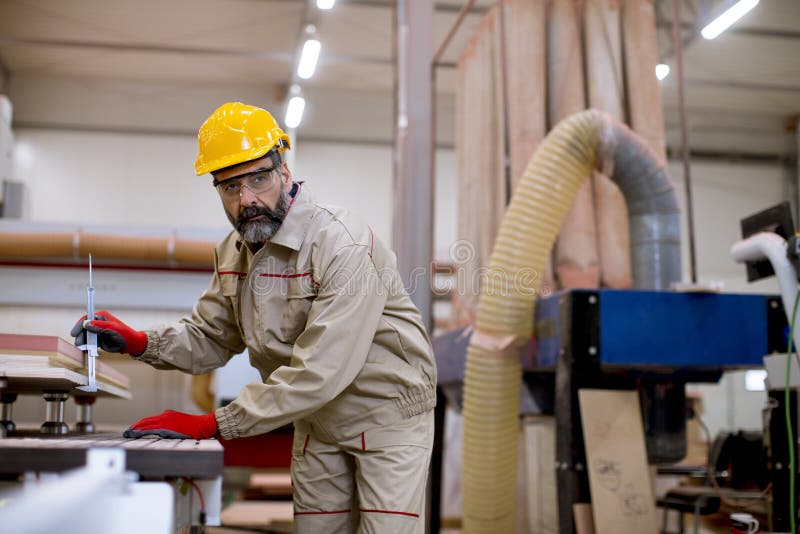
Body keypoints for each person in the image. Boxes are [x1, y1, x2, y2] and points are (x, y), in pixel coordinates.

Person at [71, 102, 437, 533]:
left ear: (284, 172)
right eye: (230, 187)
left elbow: (321, 370)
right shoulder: (234, 253)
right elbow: (210, 335)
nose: (247, 200)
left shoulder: (343, 245)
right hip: (317, 420)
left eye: (259, 179)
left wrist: (215, 423)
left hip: (385, 418)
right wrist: (139, 343)